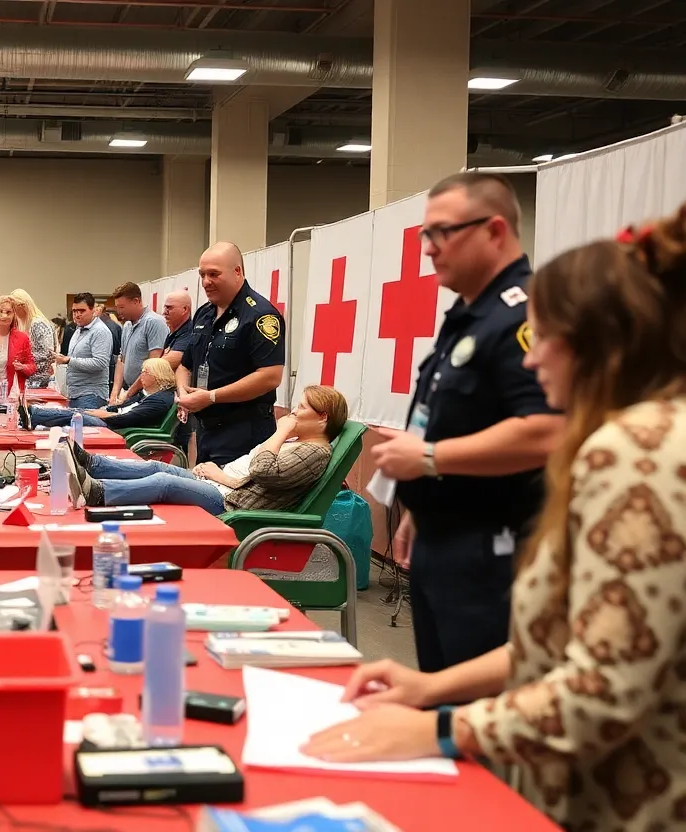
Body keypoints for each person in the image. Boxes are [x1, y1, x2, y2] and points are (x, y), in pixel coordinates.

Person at [304, 205, 686, 831]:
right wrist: (432, 687)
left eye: (548, 340)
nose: (532, 361)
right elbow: (561, 642)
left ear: (601, 344)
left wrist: (440, 727)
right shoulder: (630, 440)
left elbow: (606, 689)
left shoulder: (636, 455)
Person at [372, 173, 562, 674]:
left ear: (495, 230)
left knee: (479, 708)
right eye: (424, 236)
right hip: (445, 538)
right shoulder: (470, 313)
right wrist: (419, 504)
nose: (430, 249)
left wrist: (430, 459)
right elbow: (448, 418)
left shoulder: (522, 315)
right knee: (446, 700)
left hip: (492, 550)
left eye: (442, 233)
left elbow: (546, 429)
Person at [70, 385, 344, 516]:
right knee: (159, 467)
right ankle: (93, 465)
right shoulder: (300, 444)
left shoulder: (315, 453)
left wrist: (281, 430)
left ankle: (100, 492)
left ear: (323, 418)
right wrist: (218, 474)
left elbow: (261, 471)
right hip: (226, 488)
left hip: (230, 503)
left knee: (164, 482)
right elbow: (258, 474)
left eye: (303, 408)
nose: (294, 412)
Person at [179, 243, 287, 466]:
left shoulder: (260, 315)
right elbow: (184, 364)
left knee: (230, 498)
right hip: (206, 430)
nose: (206, 281)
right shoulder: (204, 314)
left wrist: (211, 397)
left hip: (243, 432)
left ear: (237, 271)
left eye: (214, 274)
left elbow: (270, 376)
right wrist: (183, 396)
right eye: (202, 275)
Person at [32, 357, 176, 430]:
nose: (141, 375)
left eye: (146, 372)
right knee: (74, 412)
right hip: (112, 419)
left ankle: (34, 414)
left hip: (115, 426)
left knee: (75, 415)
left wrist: (100, 414)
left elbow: (126, 418)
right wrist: (104, 410)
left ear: (158, 376)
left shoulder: (160, 400)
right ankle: (35, 415)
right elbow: (120, 408)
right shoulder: (148, 394)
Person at [109, 282, 168, 406]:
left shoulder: (154, 323)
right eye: (117, 307)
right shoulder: (127, 326)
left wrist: (129, 393)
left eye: (122, 307)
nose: (118, 312)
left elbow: (153, 366)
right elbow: (122, 360)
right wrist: (114, 394)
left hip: (147, 395)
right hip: (130, 393)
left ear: (136, 301)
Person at [51, 292, 112, 409]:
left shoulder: (100, 331)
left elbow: (100, 363)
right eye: (74, 311)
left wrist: (69, 360)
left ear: (92, 310)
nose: (77, 314)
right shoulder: (79, 329)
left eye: (82, 311)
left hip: (91, 395)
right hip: (75, 394)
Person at [160, 290, 195, 456]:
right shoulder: (172, 333)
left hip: (186, 401)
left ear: (185, 310)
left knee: (185, 442)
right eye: (164, 307)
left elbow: (160, 367)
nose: (164, 312)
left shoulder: (189, 334)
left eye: (169, 308)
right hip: (178, 398)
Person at [9, 288, 56, 388]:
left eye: (13, 308)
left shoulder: (37, 323)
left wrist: (21, 362)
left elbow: (46, 353)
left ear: (22, 306)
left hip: (37, 380)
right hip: (31, 377)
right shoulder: (27, 323)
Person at [94, 302, 122, 386]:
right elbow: (118, 349)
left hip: (100, 371)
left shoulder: (96, 327)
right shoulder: (115, 326)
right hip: (112, 367)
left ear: (99, 310)